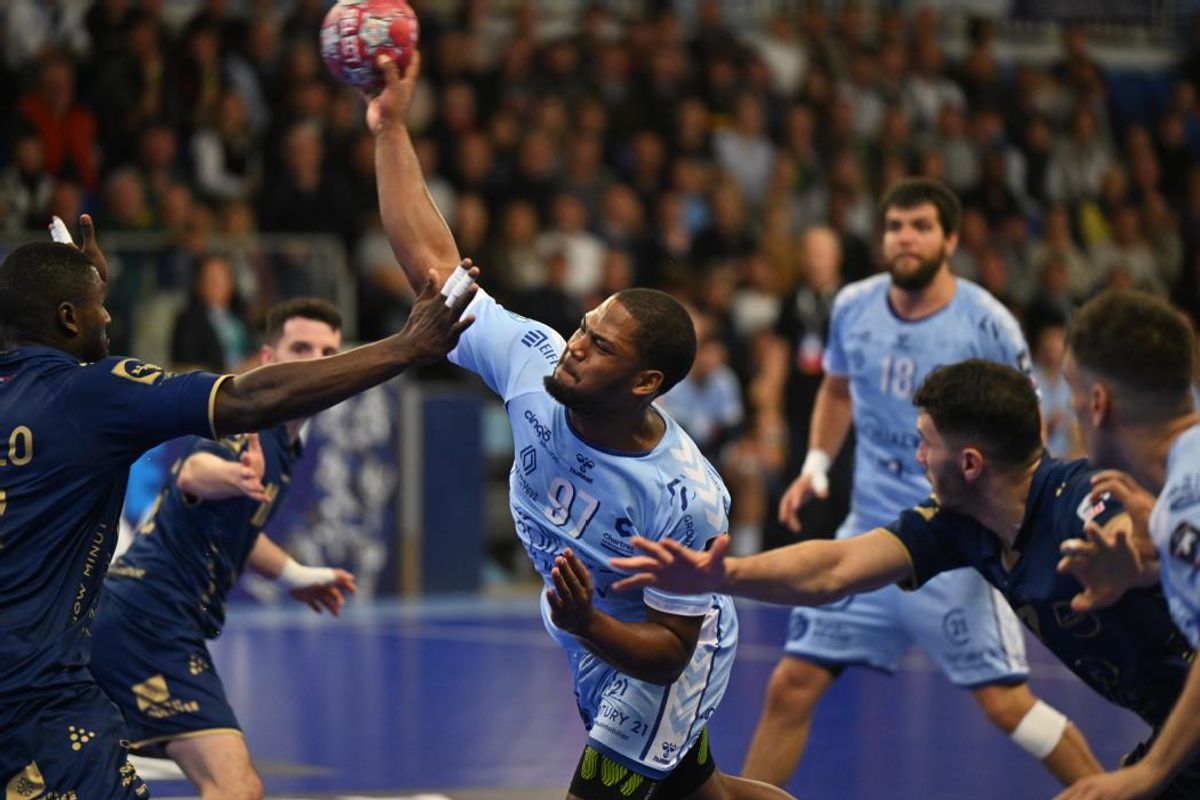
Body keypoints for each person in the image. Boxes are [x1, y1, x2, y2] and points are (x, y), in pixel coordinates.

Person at [368, 52, 792, 800]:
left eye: (601, 346)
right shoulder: (534, 359)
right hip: (589, 631)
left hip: (659, 661)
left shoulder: (685, 498)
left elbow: (671, 650)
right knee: (705, 795)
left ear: (645, 383)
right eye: (584, 327)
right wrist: (391, 126)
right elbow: (434, 268)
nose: (576, 345)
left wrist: (587, 620)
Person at [0, 216, 476, 798]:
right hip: (44, 691)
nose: (108, 317)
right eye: (98, 307)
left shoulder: (48, 399)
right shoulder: (102, 399)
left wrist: (295, 573)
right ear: (67, 318)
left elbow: (73, 401)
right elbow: (238, 412)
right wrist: (405, 347)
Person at [610, 359, 1194, 795]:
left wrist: (1147, 560)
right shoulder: (964, 523)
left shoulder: (1088, 505)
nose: (917, 458)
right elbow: (834, 569)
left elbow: (1147, 532)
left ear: (970, 464)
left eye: (926, 444)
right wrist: (722, 573)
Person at [753, 177, 1099, 788]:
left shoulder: (988, 323)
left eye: (920, 227)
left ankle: (1113, 790)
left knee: (1007, 705)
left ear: (951, 240)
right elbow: (837, 389)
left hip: (953, 543)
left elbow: (1029, 429)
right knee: (791, 684)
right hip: (868, 535)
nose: (905, 238)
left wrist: (1017, 528)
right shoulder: (852, 305)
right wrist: (814, 465)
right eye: (894, 227)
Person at [89, 298, 357, 800]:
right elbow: (193, 472)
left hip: (133, 618)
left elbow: (242, 536)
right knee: (234, 786)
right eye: (301, 349)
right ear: (268, 359)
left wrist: (298, 576)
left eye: (328, 354)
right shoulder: (251, 428)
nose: (315, 363)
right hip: (150, 626)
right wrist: (232, 476)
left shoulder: (286, 446)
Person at [1050, 291, 1200, 800]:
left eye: (1071, 391)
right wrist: (1155, 563)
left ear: (1098, 403)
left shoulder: (1184, 507)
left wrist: (1151, 771)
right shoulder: (1176, 501)